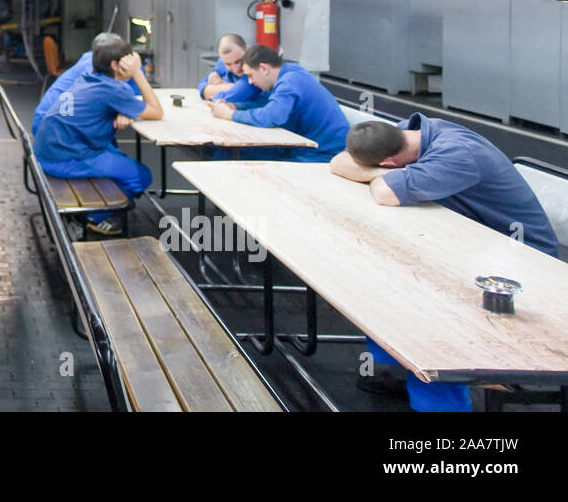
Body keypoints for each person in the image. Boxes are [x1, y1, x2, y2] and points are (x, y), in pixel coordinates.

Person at [330, 116, 559, 412]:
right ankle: (397, 367)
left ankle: (442, 405)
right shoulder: (407, 131)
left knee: (429, 311)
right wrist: (387, 174)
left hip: (525, 265)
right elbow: (338, 162)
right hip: (475, 244)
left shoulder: (457, 154)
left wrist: (381, 177)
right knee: (384, 269)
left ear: (389, 162)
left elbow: (385, 193)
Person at [33, 37, 163, 236]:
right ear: (115, 64)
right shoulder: (113, 89)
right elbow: (156, 112)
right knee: (141, 176)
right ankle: (91, 218)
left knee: (120, 159)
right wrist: (137, 73)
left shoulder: (89, 75)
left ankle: (97, 207)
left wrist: (123, 108)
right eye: (129, 60)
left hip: (51, 148)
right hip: (66, 158)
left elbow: (113, 100)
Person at [206, 44, 348, 162]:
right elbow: (267, 105)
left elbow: (272, 116)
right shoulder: (288, 75)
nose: (250, 82)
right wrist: (236, 106)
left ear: (264, 69)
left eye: (250, 75)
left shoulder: (290, 81)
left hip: (324, 154)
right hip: (308, 148)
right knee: (227, 153)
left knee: (244, 163)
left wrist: (230, 114)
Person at [32, 32, 130, 136]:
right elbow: (124, 94)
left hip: (45, 122)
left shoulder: (88, 59)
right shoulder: (95, 67)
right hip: (55, 130)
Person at [198, 33, 261, 106]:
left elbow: (221, 99)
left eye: (238, 61)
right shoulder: (226, 59)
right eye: (228, 64)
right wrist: (228, 87)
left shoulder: (255, 71)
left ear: (247, 49)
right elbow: (202, 83)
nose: (236, 68)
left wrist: (218, 87)